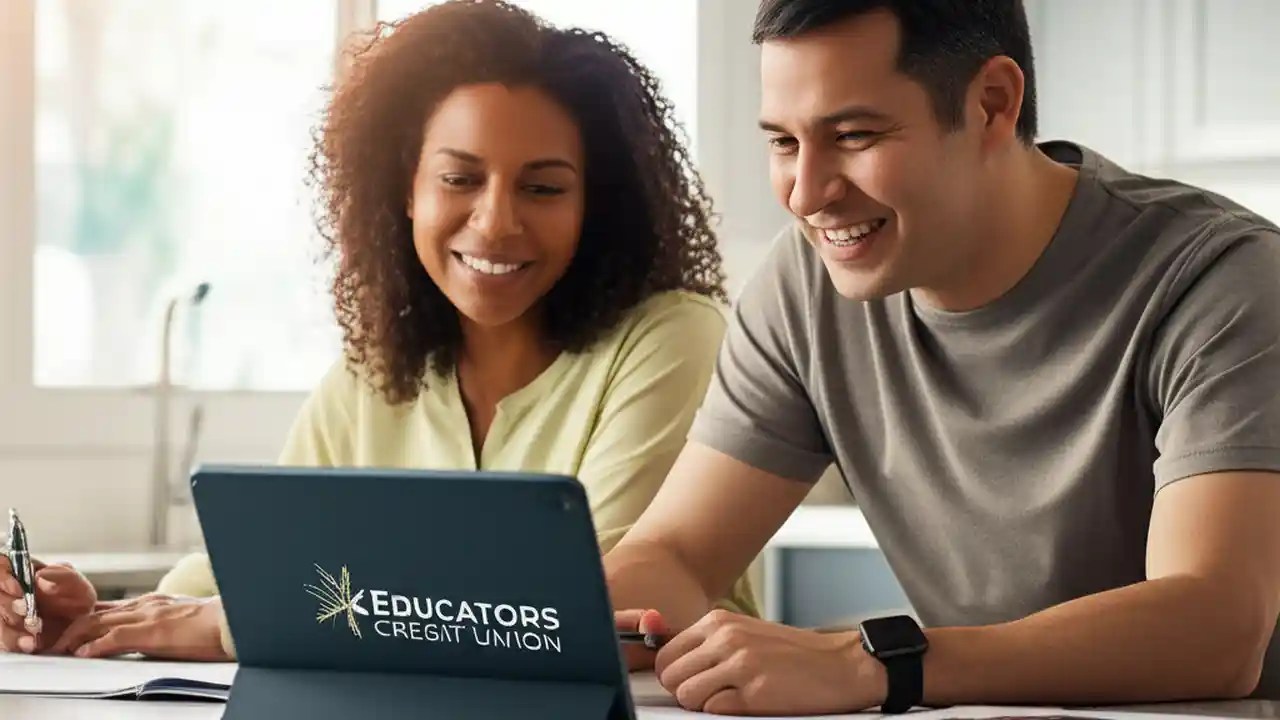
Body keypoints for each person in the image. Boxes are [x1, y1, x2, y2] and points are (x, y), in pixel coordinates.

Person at [0, 0, 757, 662]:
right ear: (404, 189)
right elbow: (231, 583)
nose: (496, 221)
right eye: (459, 179)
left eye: (543, 187)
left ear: (599, 206)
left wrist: (232, 626)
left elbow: (592, 615)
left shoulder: (670, 341)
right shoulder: (375, 376)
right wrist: (91, 617)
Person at [606, 0, 1280, 715]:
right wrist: (519, 623)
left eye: (856, 135)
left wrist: (873, 661)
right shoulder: (806, 285)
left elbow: (1217, 626)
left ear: (992, 104)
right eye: (782, 143)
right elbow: (677, 554)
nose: (806, 194)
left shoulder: (1223, 280)